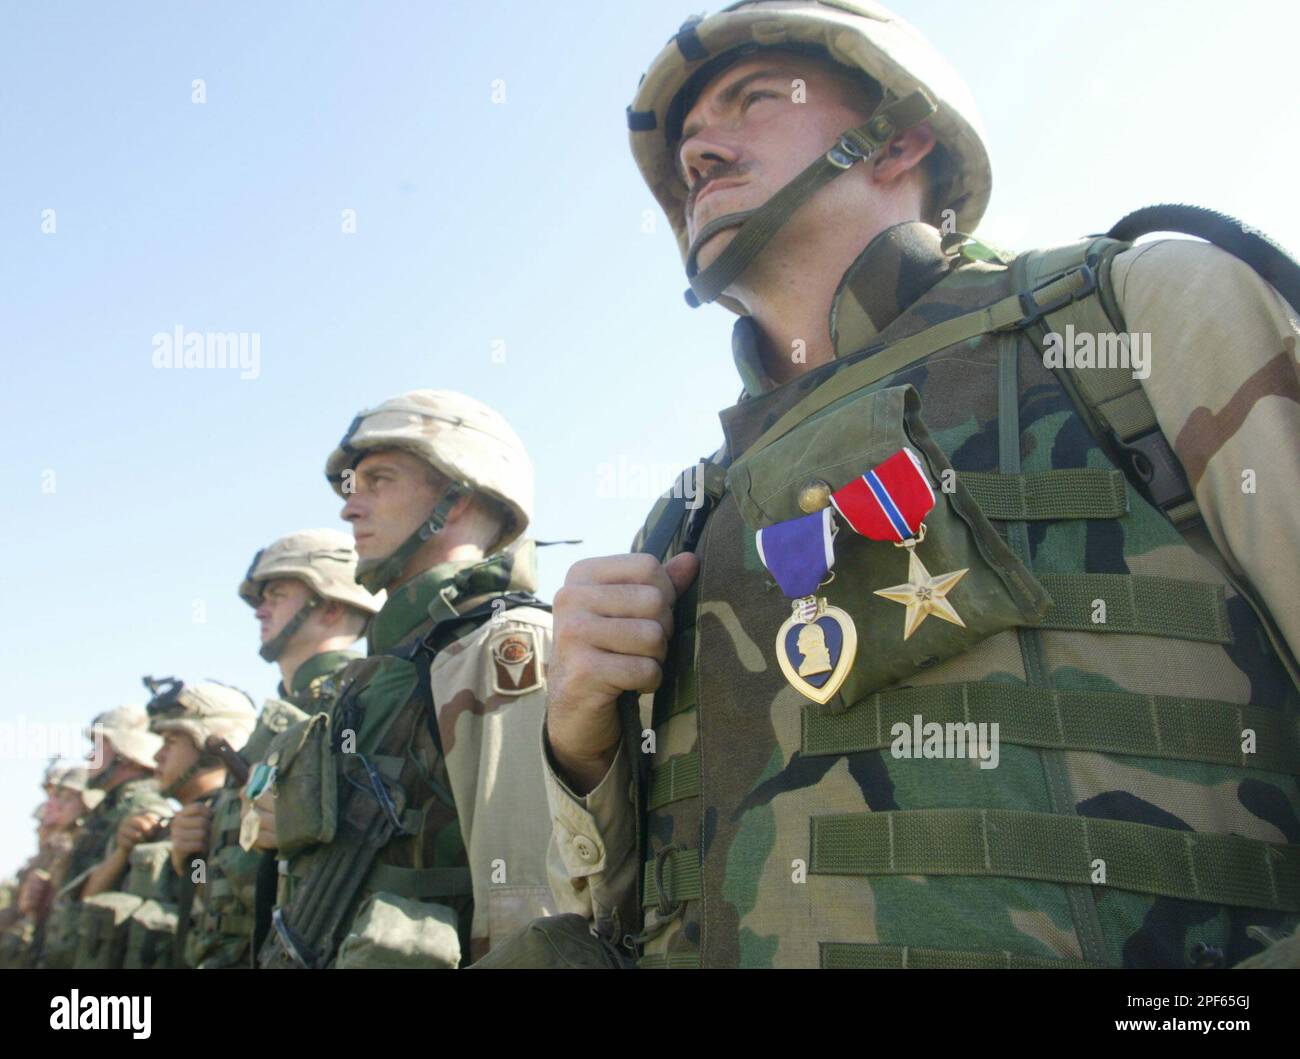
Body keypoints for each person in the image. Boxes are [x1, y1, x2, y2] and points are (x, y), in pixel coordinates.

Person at [541, 0, 1300, 968]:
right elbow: (625, 906)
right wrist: (579, 751)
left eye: (752, 100)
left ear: (897, 140)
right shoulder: (684, 521)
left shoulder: (1129, 321)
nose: (698, 153)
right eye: (686, 141)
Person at [256, 390, 556, 969]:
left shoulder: (500, 646)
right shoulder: (384, 669)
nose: (349, 508)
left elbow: (527, 915)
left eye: (379, 481)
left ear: (459, 494)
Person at [180, 530, 381, 968]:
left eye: (276, 595)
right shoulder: (271, 726)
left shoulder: (362, 706)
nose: (260, 611)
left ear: (328, 606)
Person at [38, 705, 171, 967]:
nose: (89, 756)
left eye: (99, 747)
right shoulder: (109, 810)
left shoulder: (143, 809)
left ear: (125, 753)